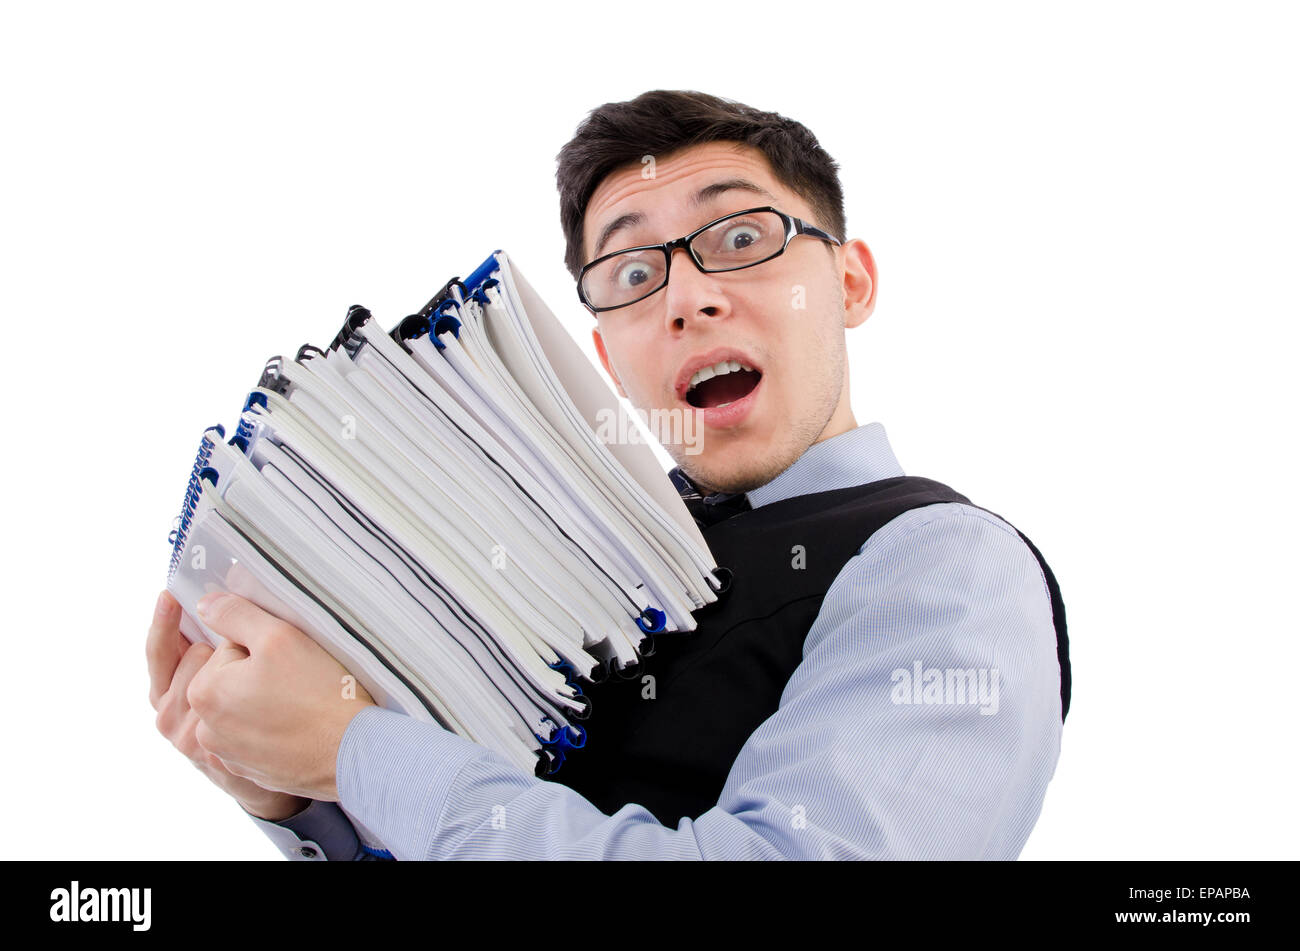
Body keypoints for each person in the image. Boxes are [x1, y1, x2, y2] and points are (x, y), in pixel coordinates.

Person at [146, 89, 1070, 860]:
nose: (686, 297)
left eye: (742, 238)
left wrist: (353, 750)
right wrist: (296, 791)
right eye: (632, 273)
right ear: (602, 353)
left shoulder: (946, 566)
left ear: (851, 282)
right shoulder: (590, 573)